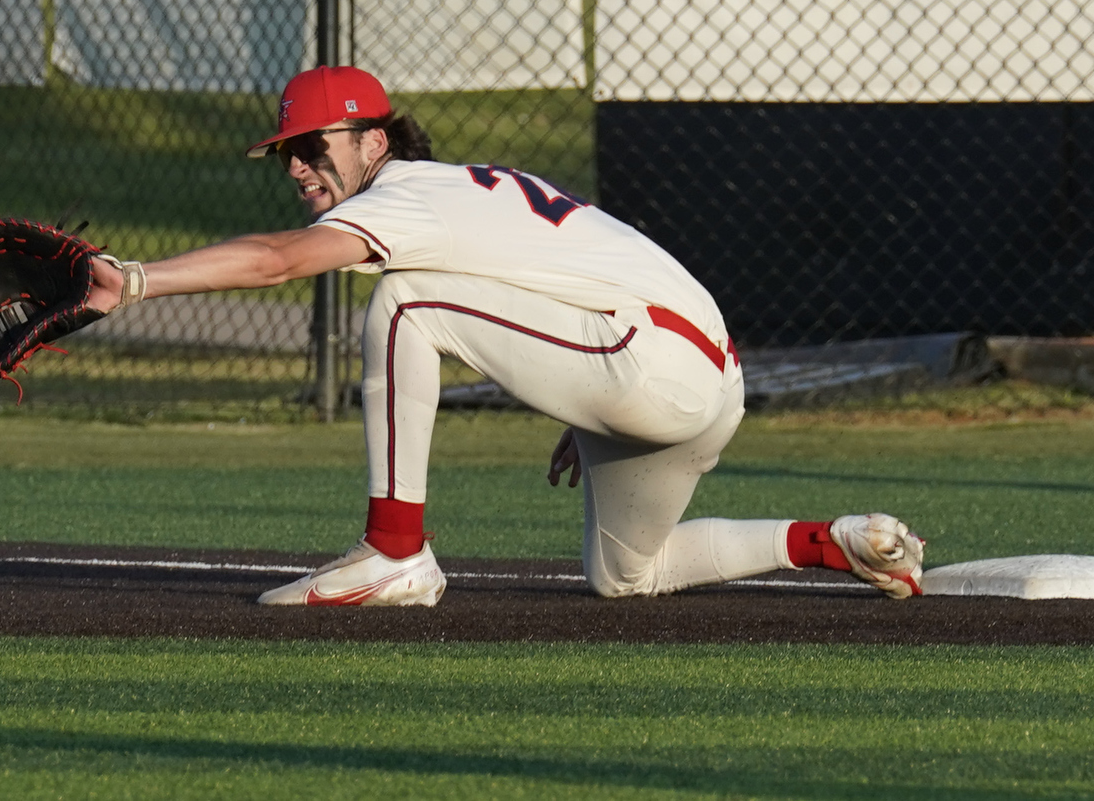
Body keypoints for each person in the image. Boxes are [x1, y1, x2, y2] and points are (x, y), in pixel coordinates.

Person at [87, 65, 925, 606]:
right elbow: (576, 273)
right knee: (629, 577)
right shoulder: (465, 192)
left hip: (647, 359)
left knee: (407, 304)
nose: (299, 166)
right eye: (286, 155)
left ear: (374, 141)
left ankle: (394, 552)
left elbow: (276, 261)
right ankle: (837, 541)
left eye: (313, 145)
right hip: (701, 376)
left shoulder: (403, 196)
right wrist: (582, 394)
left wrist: (135, 280)